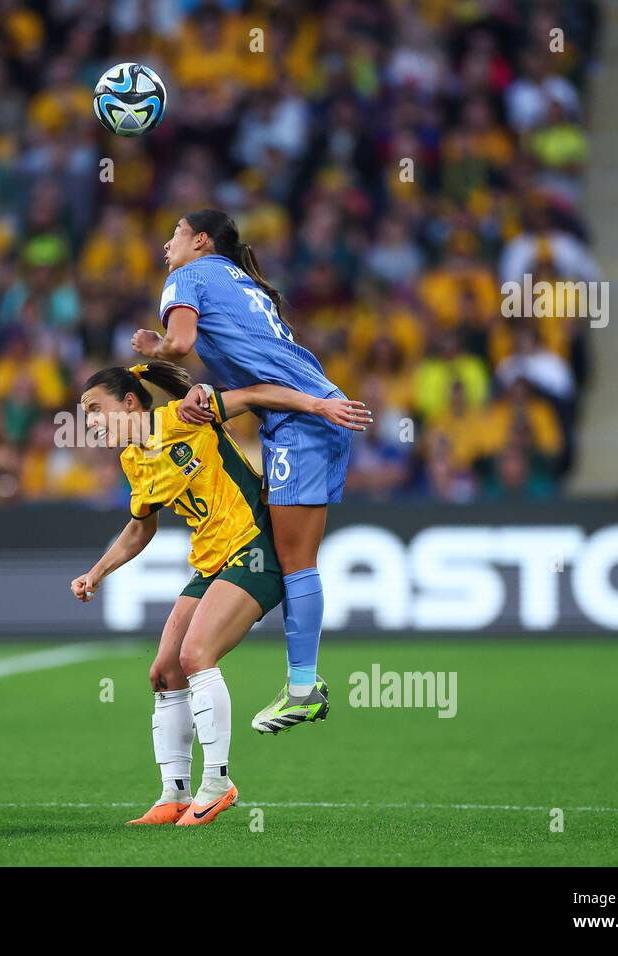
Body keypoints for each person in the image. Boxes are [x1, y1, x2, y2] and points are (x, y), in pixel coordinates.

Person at [71, 361, 366, 825]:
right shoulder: (133, 458)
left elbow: (255, 394)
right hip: (212, 562)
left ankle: (218, 784)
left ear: (129, 402)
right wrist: (97, 572)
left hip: (254, 550)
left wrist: (316, 404)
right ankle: (173, 795)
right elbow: (140, 527)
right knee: (165, 672)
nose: (87, 421)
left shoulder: (185, 416)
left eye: (94, 408)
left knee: (196, 656)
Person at [132, 209, 369, 733]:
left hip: (300, 418)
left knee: (296, 562)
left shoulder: (187, 276)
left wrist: (156, 346)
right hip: (308, 411)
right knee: (294, 559)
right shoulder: (241, 281)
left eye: (174, 231)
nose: (166, 242)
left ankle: (303, 689)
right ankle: (301, 683)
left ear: (200, 240)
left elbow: (180, 342)